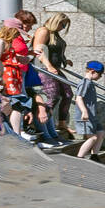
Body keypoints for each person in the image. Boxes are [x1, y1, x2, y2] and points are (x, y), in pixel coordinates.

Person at [30, 13, 70, 148]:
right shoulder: (43, 31)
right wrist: (48, 66)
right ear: (55, 21)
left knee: (67, 94)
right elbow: (38, 51)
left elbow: (56, 51)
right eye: (62, 24)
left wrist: (65, 60)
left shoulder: (55, 34)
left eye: (65, 25)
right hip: (43, 68)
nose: (63, 27)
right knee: (51, 97)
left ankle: (61, 124)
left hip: (55, 68)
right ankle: (44, 132)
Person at [0, 17, 35, 141]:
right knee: (12, 102)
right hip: (7, 75)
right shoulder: (1, 41)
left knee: (16, 103)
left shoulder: (7, 42)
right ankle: (12, 133)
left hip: (13, 75)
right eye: (17, 31)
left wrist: (28, 56)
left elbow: (10, 57)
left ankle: (16, 135)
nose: (18, 34)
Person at [73, 61, 105, 159]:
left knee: (101, 133)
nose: (100, 77)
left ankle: (94, 156)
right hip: (85, 117)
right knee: (93, 138)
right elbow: (78, 98)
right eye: (100, 74)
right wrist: (84, 111)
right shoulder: (85, 83)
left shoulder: (89, 83)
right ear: (92, 71)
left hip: (91, 116)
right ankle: (79, 158)